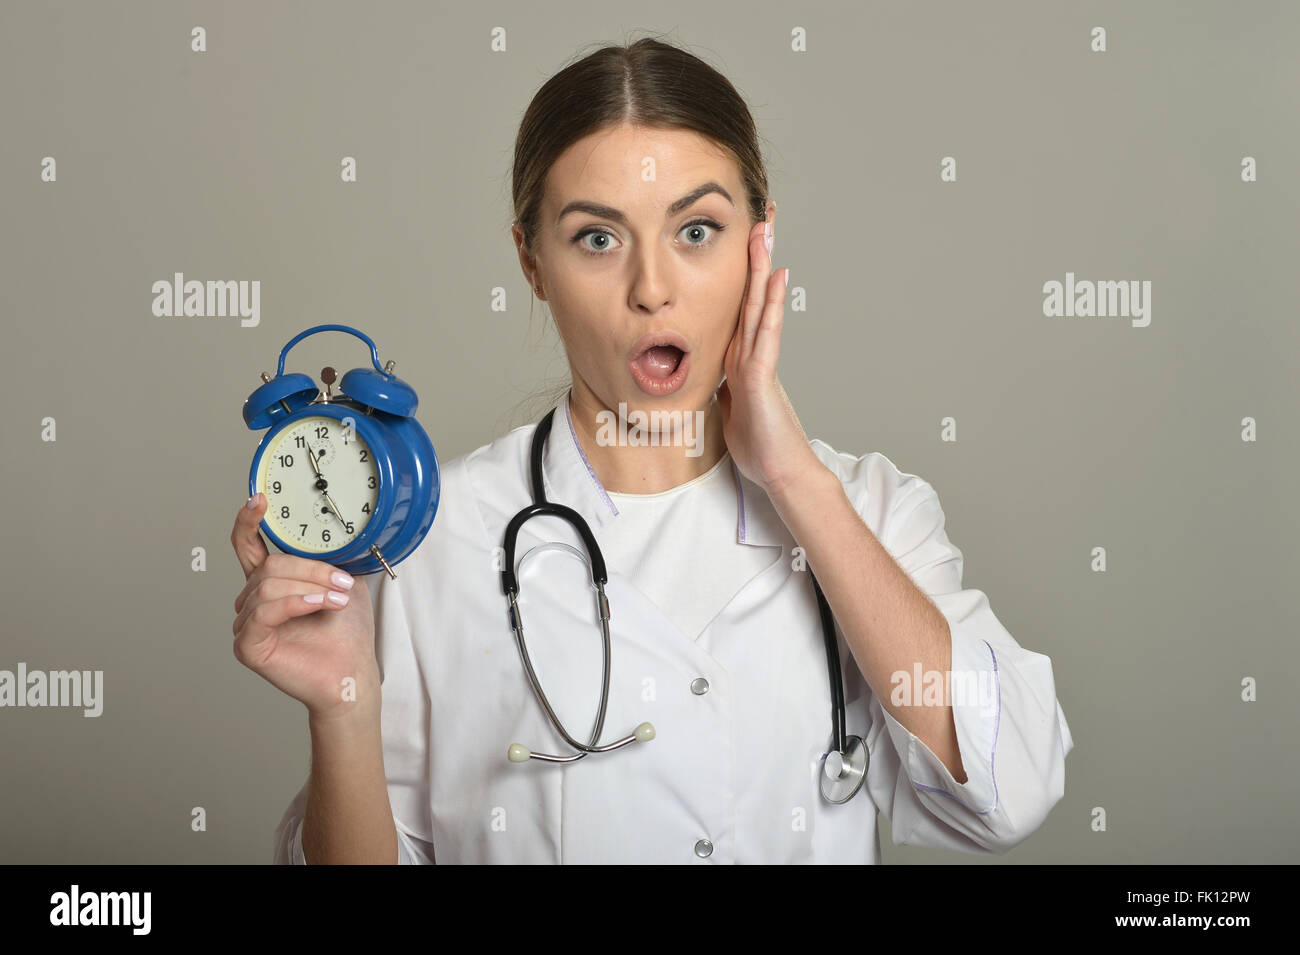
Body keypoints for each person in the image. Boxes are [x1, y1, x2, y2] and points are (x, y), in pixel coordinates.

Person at [231, 36, 1073, 864]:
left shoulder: (871, 510)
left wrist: (794, 479)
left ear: (760, 241)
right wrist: (342, 708)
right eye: (598, 238)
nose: (652, 288)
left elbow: (1010, 790)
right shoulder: (430, 543)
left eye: (697, 230)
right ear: (531, 263)